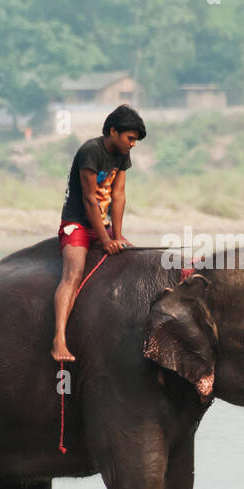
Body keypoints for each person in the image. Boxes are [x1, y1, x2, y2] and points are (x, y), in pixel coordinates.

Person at [50, 105, 145, 361]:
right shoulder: (91, 151)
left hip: (103, 226)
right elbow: (90, 200)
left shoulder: (122, 155)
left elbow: (119, 195)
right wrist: (105, 240)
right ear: (113, 131)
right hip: (78, 223)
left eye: (135, 140)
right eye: (130, 138)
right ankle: (59, 339)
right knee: (73, 274)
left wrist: (117, 236)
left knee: (133, 258)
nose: (133, 144)